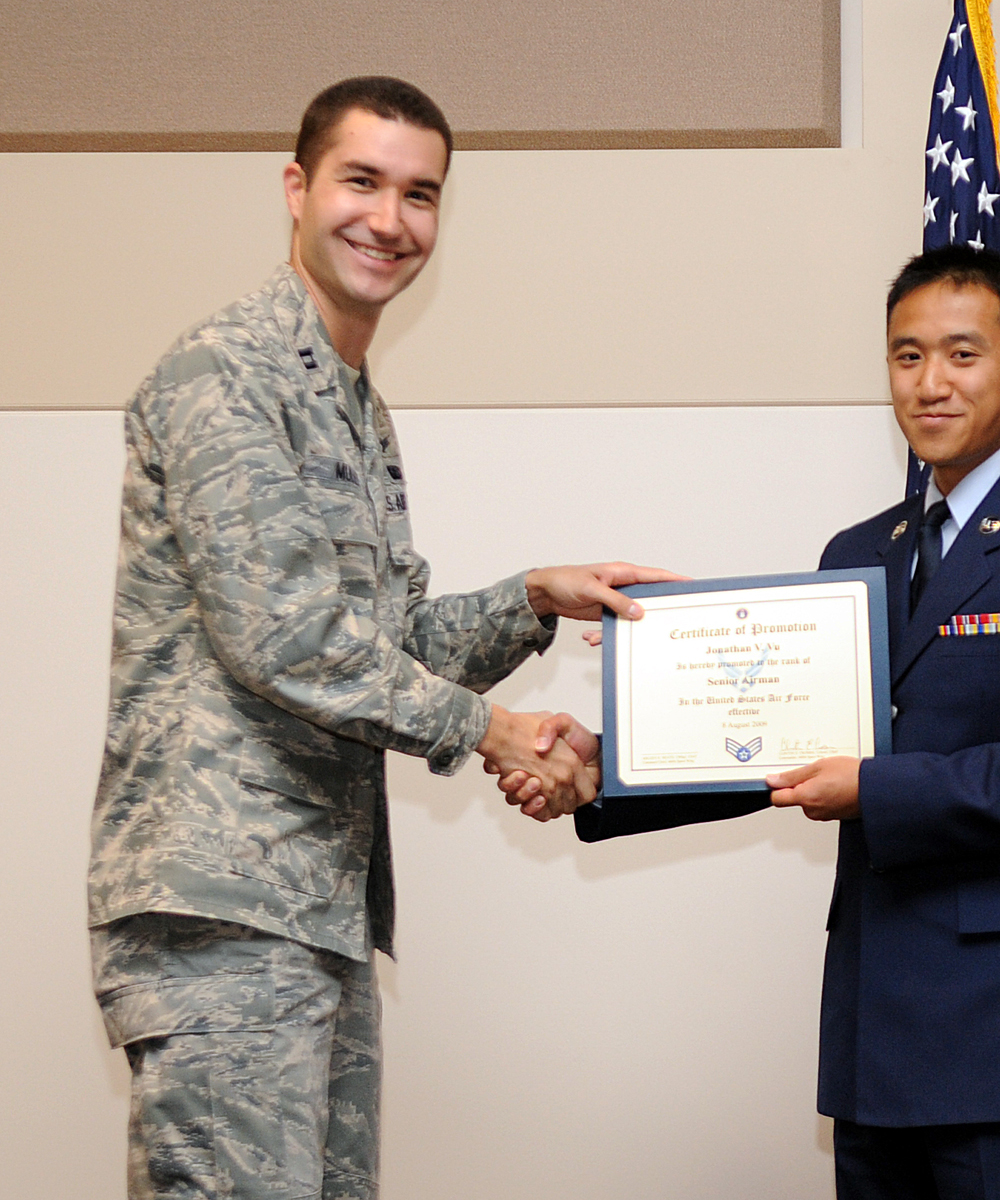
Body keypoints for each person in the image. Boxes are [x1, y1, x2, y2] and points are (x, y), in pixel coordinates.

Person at [88, 76, 677, 1199]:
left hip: (309, 904)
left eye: (420, 194)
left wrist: (536, 600)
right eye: (362, 181)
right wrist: (493, 732)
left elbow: (384, 638)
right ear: (297, 187)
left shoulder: (351, 400)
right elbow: (288, 640)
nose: (389, 220)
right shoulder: (229, 375)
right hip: (224, 910)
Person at [505, 247, 1000, 1198]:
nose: (930, 384)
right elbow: (782, 748)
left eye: (962, 355)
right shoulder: (860, 554)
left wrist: (874, 787)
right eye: (905, 356)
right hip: (877, 1040)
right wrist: (611, 768)